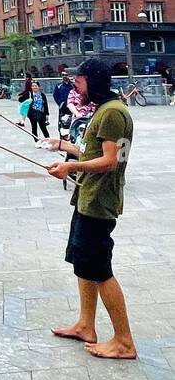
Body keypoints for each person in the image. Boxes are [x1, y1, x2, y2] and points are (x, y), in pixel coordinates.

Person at [44, 58, 137, 360]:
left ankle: (123, 341)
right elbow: (93, 150)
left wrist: (72, 166)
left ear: (94, 81)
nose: (75, 86)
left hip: (99, 200)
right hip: (87, 198)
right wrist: (63, 146)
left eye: (79, 81)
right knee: (84, 264)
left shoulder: (113, 113)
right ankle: (86, 325)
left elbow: (111, 161)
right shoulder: (106, 109)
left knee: (100, 270)